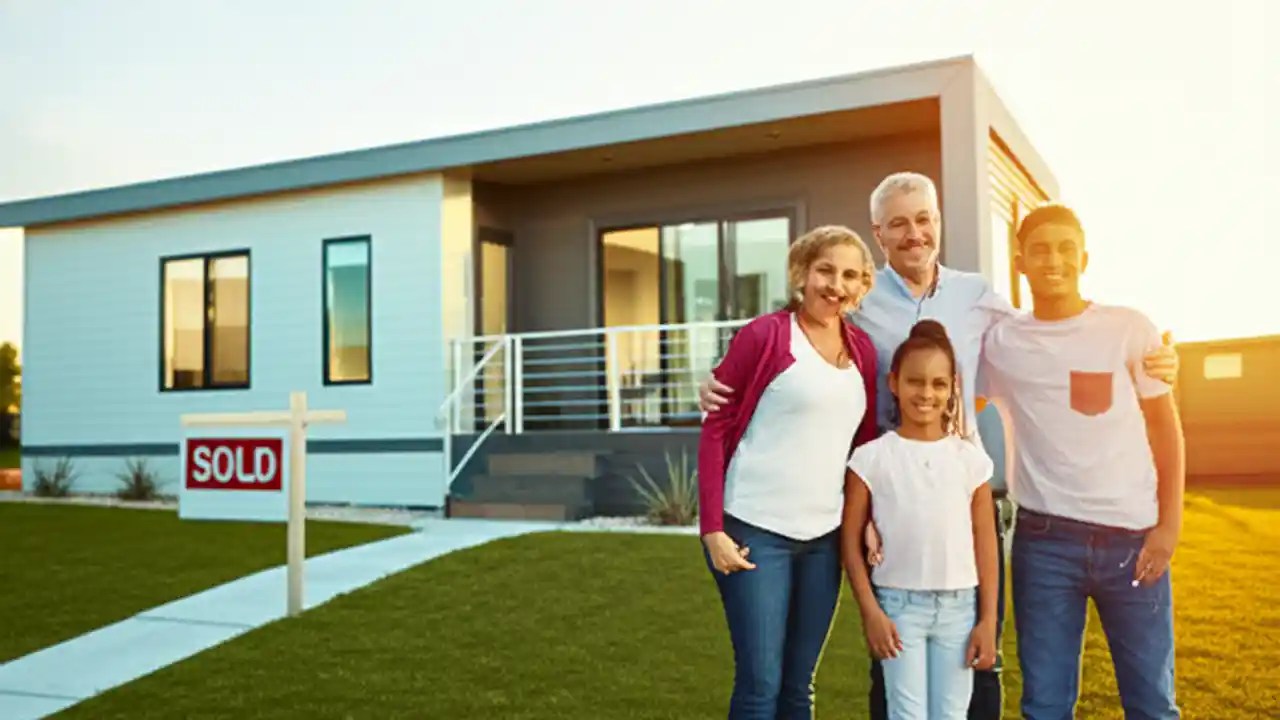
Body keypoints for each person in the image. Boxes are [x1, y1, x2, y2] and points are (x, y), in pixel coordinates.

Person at [699, 171, 1180, 719]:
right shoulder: (858, 302)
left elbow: (1045, 335)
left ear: (939, 222)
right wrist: (719, 383)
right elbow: (800, 348)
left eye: (924, 219)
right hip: (888, 497)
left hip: (963, 494)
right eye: (898, 224)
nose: (914, 234)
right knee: (890, 653)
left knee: (979, 654)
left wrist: (1158, 361)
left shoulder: (977, 296)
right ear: (879, 234)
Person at [979, 203, 1185, 719]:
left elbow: (1166, 429)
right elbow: (947, 387)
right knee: (1044, 705)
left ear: (1085, 259)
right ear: (1020, 263)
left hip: (1133, 541)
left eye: (1066, 249)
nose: (1054, 261)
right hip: (1045, 545)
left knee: (1152, 703)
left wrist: (1168, 528)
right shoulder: (1001, 342)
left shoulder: (1128, 329)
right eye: (1040, 250)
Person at [697, 225, 880, 719]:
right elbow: (715, 429)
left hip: (824, 538)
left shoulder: (863, 352)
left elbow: (862, 447)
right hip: (755, 532)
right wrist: (712, 529)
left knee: (800, 687)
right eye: (825, 270)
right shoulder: (764, 336)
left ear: (862, 285)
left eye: (849, 275)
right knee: (761, 685)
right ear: (802, 273)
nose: (835, 285)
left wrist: (866, 521)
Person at [842, 319, 1000, 719]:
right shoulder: (871, 459)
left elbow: (986, 547)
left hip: (959, 609)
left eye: (938, 384)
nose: (926, 393)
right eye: (915, 381)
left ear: (952, 389)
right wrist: (871, 612)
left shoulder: (971, 462)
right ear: (894, 383)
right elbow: (849, 544)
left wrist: (987, 620)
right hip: (898, 608)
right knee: (906, 714)